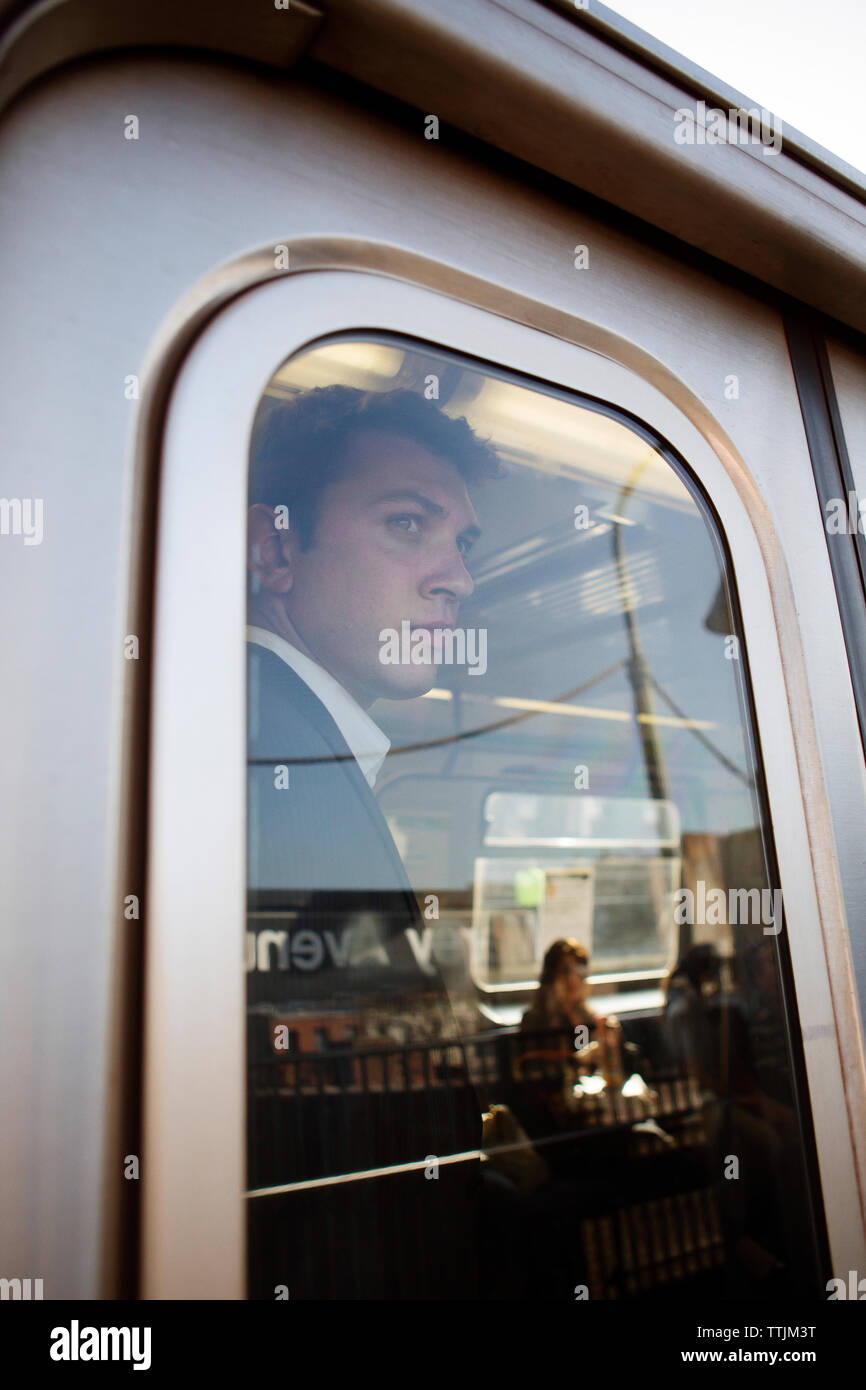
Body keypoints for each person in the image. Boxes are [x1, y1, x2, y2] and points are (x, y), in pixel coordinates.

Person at [244, 383, 501, 1299]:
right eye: (406, 523)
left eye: (461, 543)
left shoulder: (287, 741)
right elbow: (342, 1155)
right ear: (275, 547)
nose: (457, 576)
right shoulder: (276, 759)